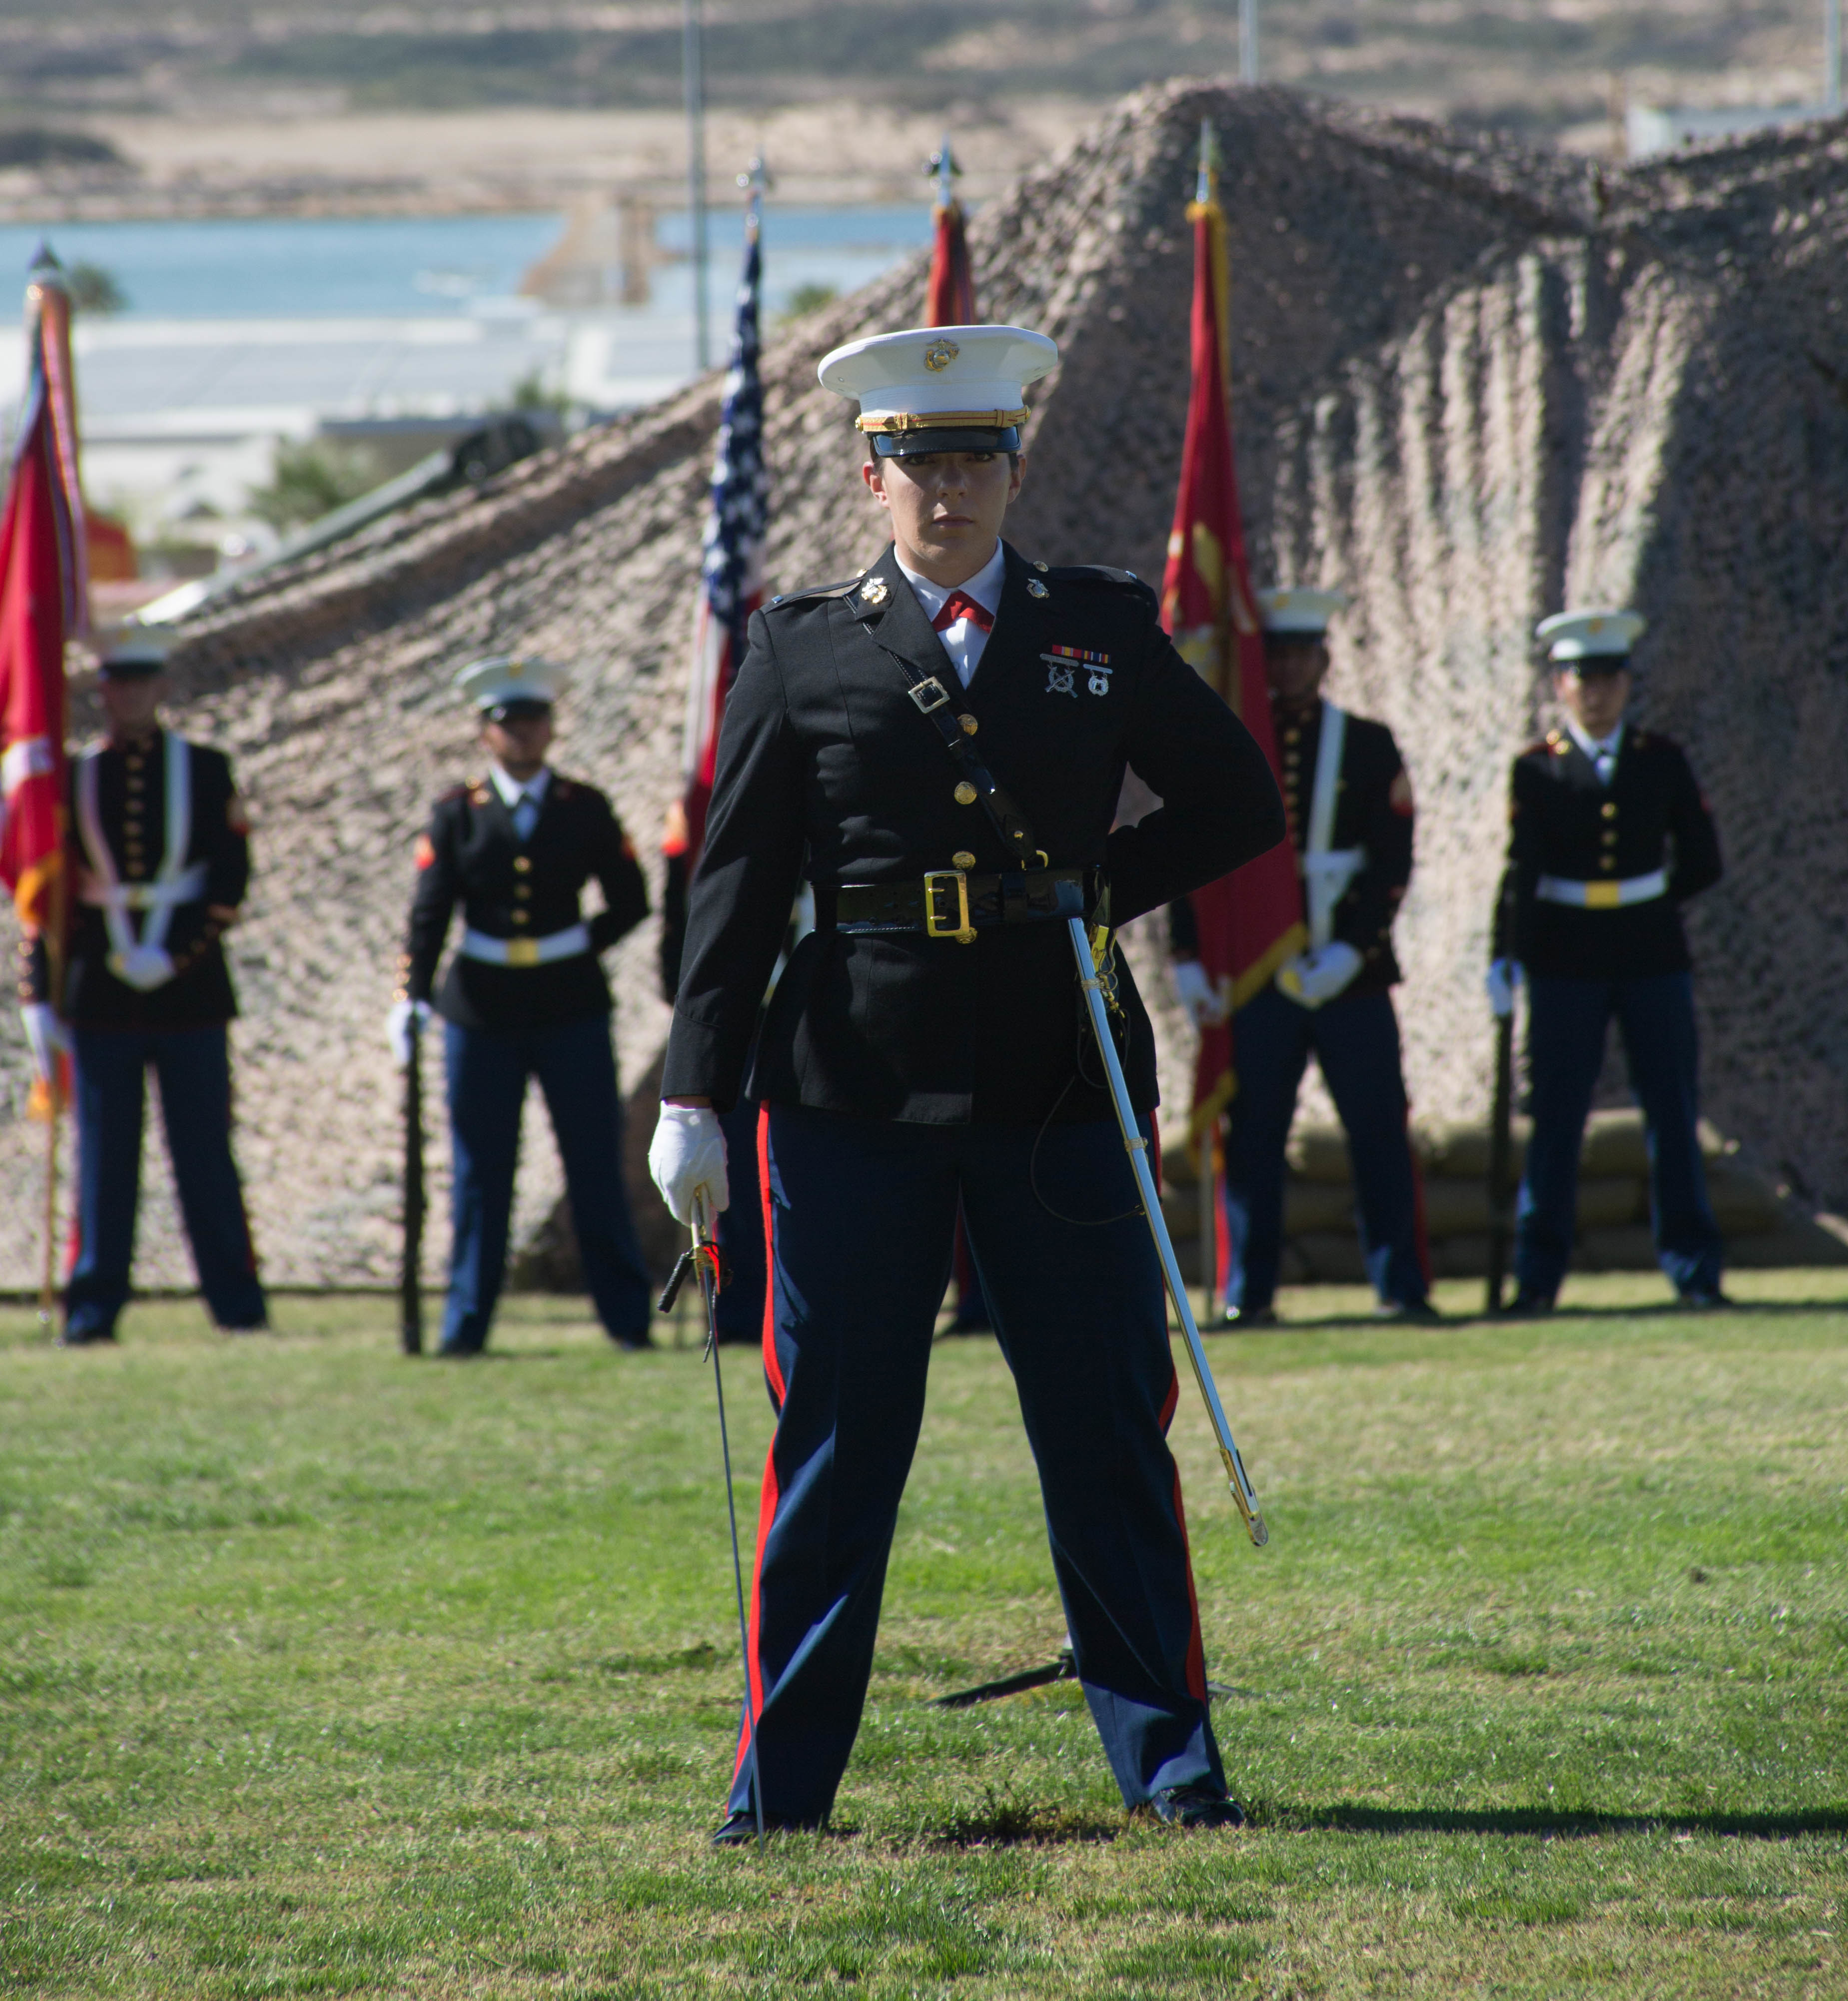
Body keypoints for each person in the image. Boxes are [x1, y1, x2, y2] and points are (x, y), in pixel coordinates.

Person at [649, 323, 1286, 1843]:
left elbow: (1240, 797)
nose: (950, 488)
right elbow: (734, 890)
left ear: (1015, 464)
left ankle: (1171, 1766)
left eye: (976, 457)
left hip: (1057, 1085)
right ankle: (782, 1790)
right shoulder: (799, 645)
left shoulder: (1099, 628)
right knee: (837, 1446)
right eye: (919, 460)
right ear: (872, 473)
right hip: (849, 1094)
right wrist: (692, 1095)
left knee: (1105, 1428)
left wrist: (1093, 886)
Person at [1171, 587, 1431, 1326]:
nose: (1287, 668)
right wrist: (1189, 955)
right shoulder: (1229, 745)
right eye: (1274, 655)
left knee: (1379, 1130)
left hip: (1350, 975)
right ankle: (1246, 1293)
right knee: (1252, 1137)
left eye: (1300, 654)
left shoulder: (1370, 743)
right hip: (1259, 977)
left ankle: (1402, 1285)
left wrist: (1352, 952)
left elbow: (1391, 861)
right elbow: (1196, 856)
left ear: (1324, 658)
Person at [391, 656, 654, 1354]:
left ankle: (627, 1318)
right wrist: (411, 996)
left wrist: (578, 943)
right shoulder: (457, 812)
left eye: (534, 721)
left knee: (594, 1162)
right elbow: (430, 910)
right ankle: (466, 1324)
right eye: (508, 724)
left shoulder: (584, 806)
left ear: (552, 727)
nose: (523, 735)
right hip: (480, 1010)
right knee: (481, 1170)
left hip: (570, 1005)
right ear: (485, 734)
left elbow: (632, 899)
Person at [20, 629, 267, 1344]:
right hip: (103, 993)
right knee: (104, 1159)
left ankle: (237, 1303)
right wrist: (44, 991)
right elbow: (49, 893)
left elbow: (229, 878)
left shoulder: (207, 769)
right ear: (103, 692)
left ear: (162, 688)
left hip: (188, 991)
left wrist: (177, 952)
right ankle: (93, 1306)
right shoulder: (71, 777)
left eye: (141, 682)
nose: (128, 695)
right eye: (115, 684)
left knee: (204, 1154)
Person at [1487, 609, 1727, 1311]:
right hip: (1563, 957)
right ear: (1559, 685)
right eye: (1581, 678)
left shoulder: (1662, 759)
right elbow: (1521, 872)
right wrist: (1505, 957)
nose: (1597, 692)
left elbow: (1702, 860)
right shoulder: (1537, 769)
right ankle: (1537, 1279)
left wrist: (1650, 902)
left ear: (1627, 683)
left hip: (1651, 953)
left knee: (1672, 1112)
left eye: (1610, 677)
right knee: (1556, 1119)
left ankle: (1695, 1270)